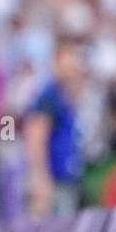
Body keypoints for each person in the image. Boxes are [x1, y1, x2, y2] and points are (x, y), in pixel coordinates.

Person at [24, 40, 87, 217]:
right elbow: (36, 139)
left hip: (68, 178)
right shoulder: (49, 97)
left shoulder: (65, 95)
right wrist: (42, 179)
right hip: (55, 182)